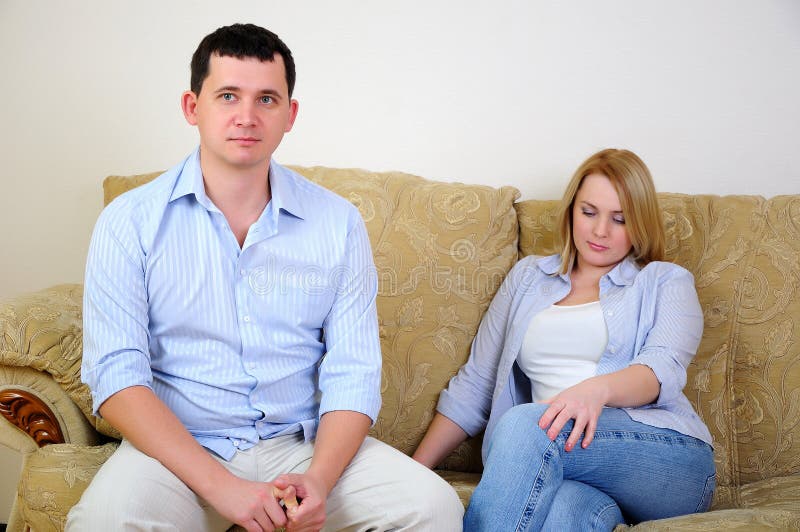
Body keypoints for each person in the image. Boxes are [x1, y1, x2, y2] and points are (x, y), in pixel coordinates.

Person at [68, 23, 463, 532]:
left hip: (300, 448)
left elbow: (354, 372)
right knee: (104, 522)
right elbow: (117, 375)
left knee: (431, 507)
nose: (247, 117)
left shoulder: (338, 223)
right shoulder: (128, 222)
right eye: (228, 95)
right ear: (193, 107)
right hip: (176, 452)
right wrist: (221, 487)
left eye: (267, 99)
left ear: (290, 114)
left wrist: (320, 480)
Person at [412, 149, 716, 531]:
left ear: (640, 224)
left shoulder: (663, 281)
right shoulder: (527, 278)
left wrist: (595, 391)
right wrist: (412, 475)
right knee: (564, 513)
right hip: (566, 460)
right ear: (571, 210)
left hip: (666, 461)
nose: (600, 230)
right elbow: (475, 384)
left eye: (619, 219)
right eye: (589, 212)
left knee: (526, 426)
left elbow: (662, 369)